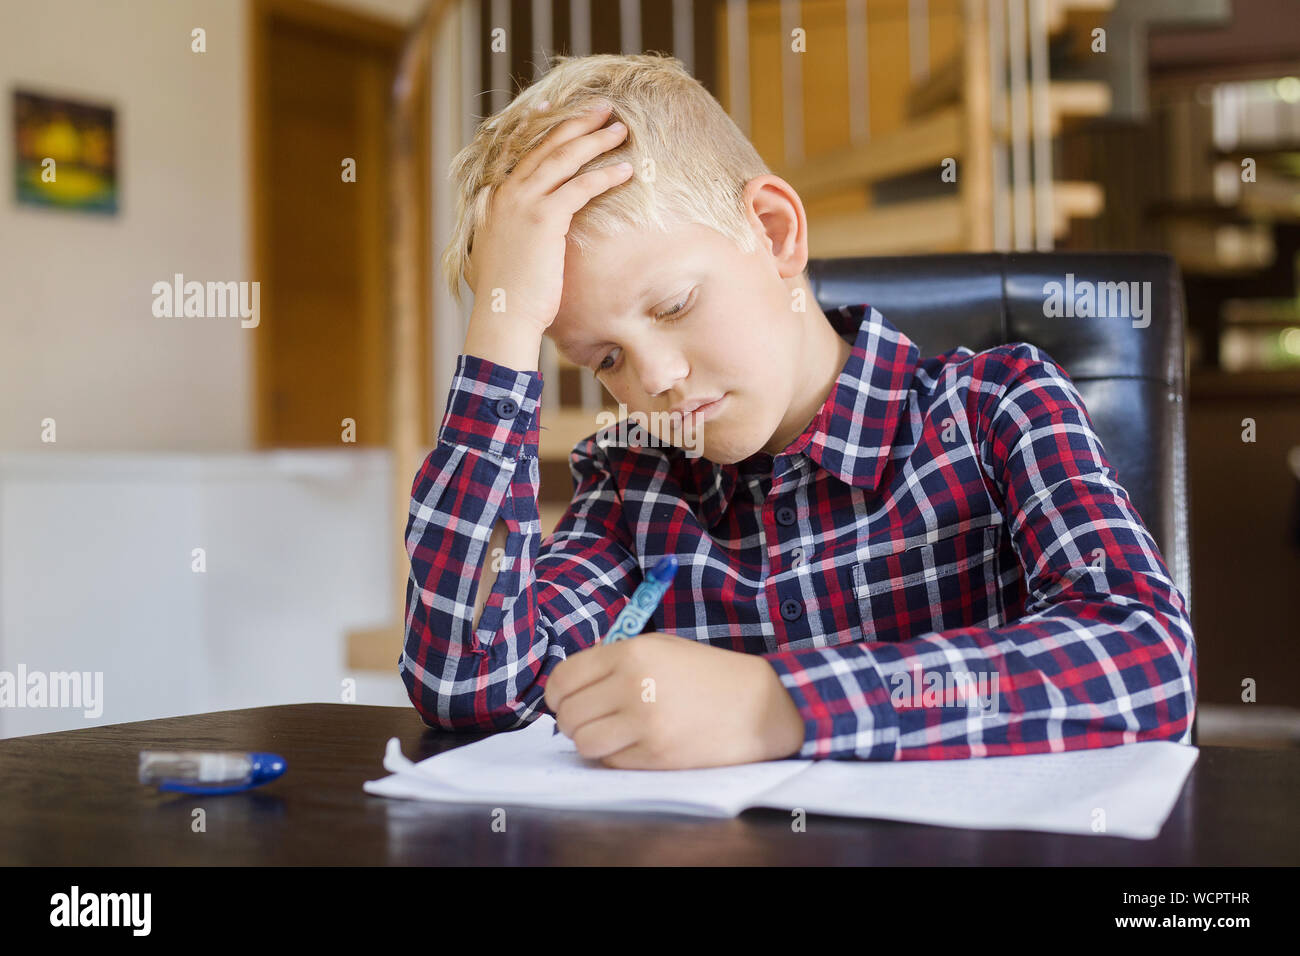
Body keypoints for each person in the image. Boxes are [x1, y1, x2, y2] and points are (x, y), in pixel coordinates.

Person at [400, 53, 1196, 769]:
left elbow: (1148, 661)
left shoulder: (999, 408)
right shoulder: (630, 488)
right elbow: (468, 685)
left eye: (674, 306)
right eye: (604, 359)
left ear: (775, 233)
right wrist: (502, 329)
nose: (657, 379)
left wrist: (777, 705)